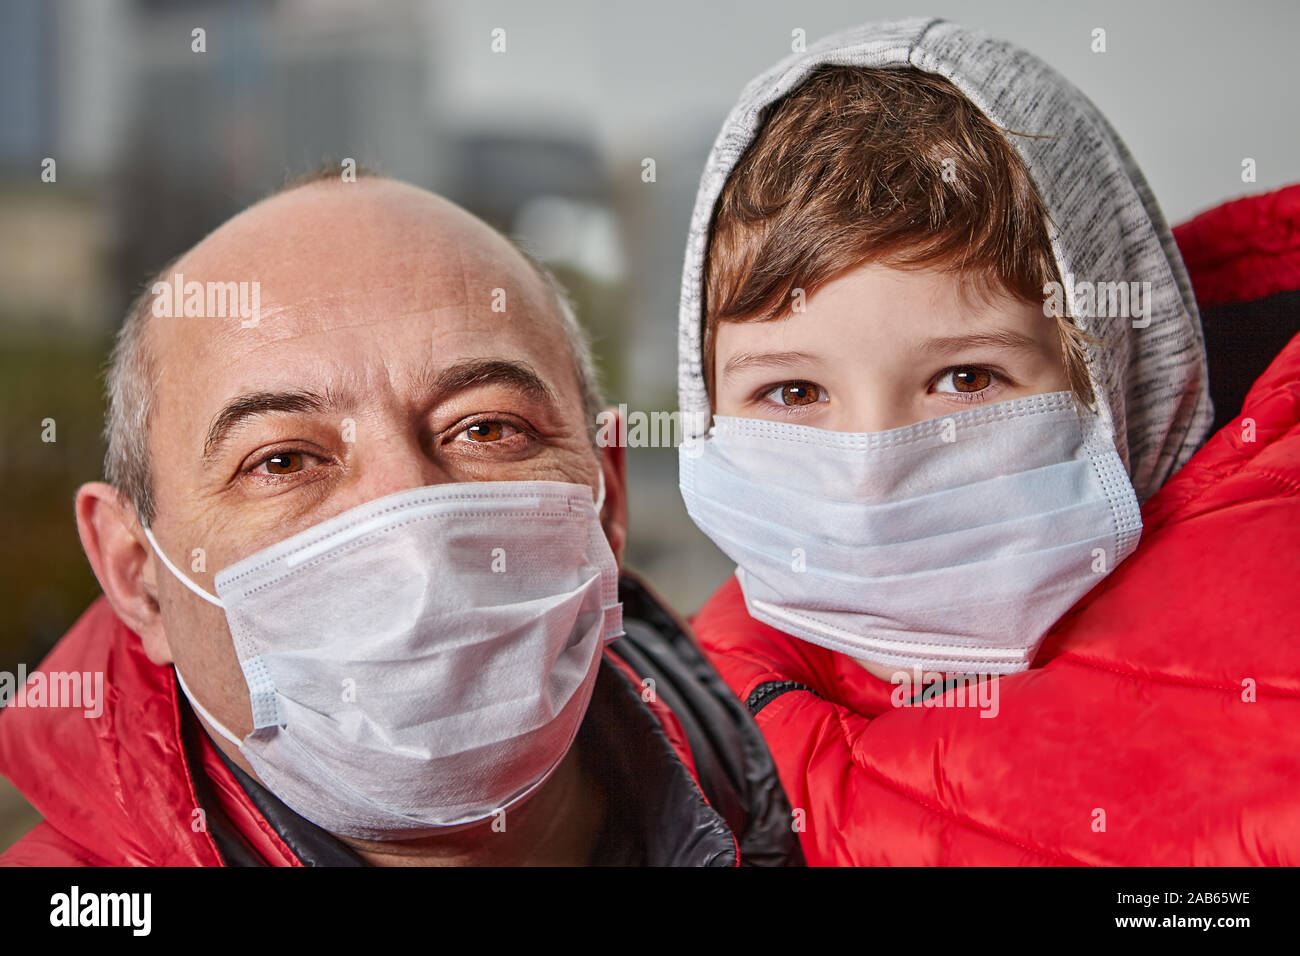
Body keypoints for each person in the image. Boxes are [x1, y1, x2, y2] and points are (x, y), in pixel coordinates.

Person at [0, 171, 802, 867]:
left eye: (486, 428)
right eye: (282, 461)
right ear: (137, 577)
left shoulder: (848, 809)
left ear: (609, 495)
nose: (408, 525)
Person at [676, 18, 1300, 864]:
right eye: (793, 392)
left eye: (967, 379)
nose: (873, 467)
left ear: (1117, 381)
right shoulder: (673, 726)